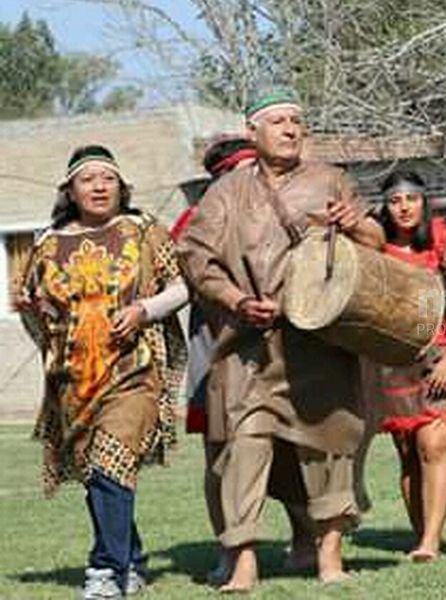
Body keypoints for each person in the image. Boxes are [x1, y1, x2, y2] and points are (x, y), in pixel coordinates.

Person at [178, 89, 385, 592]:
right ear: (254, 132)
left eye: (297, 120)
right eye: (278, 121)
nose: (291, 129)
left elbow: (378, 245)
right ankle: (243, 557)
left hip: (319, 343)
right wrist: (235, 299)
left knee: (329, 447)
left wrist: (356, 225)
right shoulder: (226, 193)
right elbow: (194, 256)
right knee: (243, 446)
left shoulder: (330, 180)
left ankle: (329, 556)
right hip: (249, 345)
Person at [17, 145, 188, 599]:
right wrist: (42, 322)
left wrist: (144, 310)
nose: (98, 186)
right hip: (74, 379)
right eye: (87, 179)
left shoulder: (143, 230)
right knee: (97, 474)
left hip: (134, 370)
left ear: (121, 186)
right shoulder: (47, 243)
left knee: (112, 459)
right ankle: (130, 558)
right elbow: (36, 310)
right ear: (70, 190)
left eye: (107, 178)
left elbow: (181, 286)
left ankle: (105, 567)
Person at [171, 134, 319, 585]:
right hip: (218, 349)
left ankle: (306, 542)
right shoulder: (194, 221)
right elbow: (186, 275)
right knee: (220, 455)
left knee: (290, 450)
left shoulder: (290, 210)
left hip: (283, 348)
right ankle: (231, 551)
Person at [372, 170, 446, 562]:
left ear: (423, 201)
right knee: (407, 450)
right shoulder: (376, 246)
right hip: (392, 359)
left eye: (411, 199)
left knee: (432, 444)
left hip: (440, 352)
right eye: (395, 200)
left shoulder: (443, 242)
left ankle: (431, 541)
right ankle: (423, 536)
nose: (404, 207)